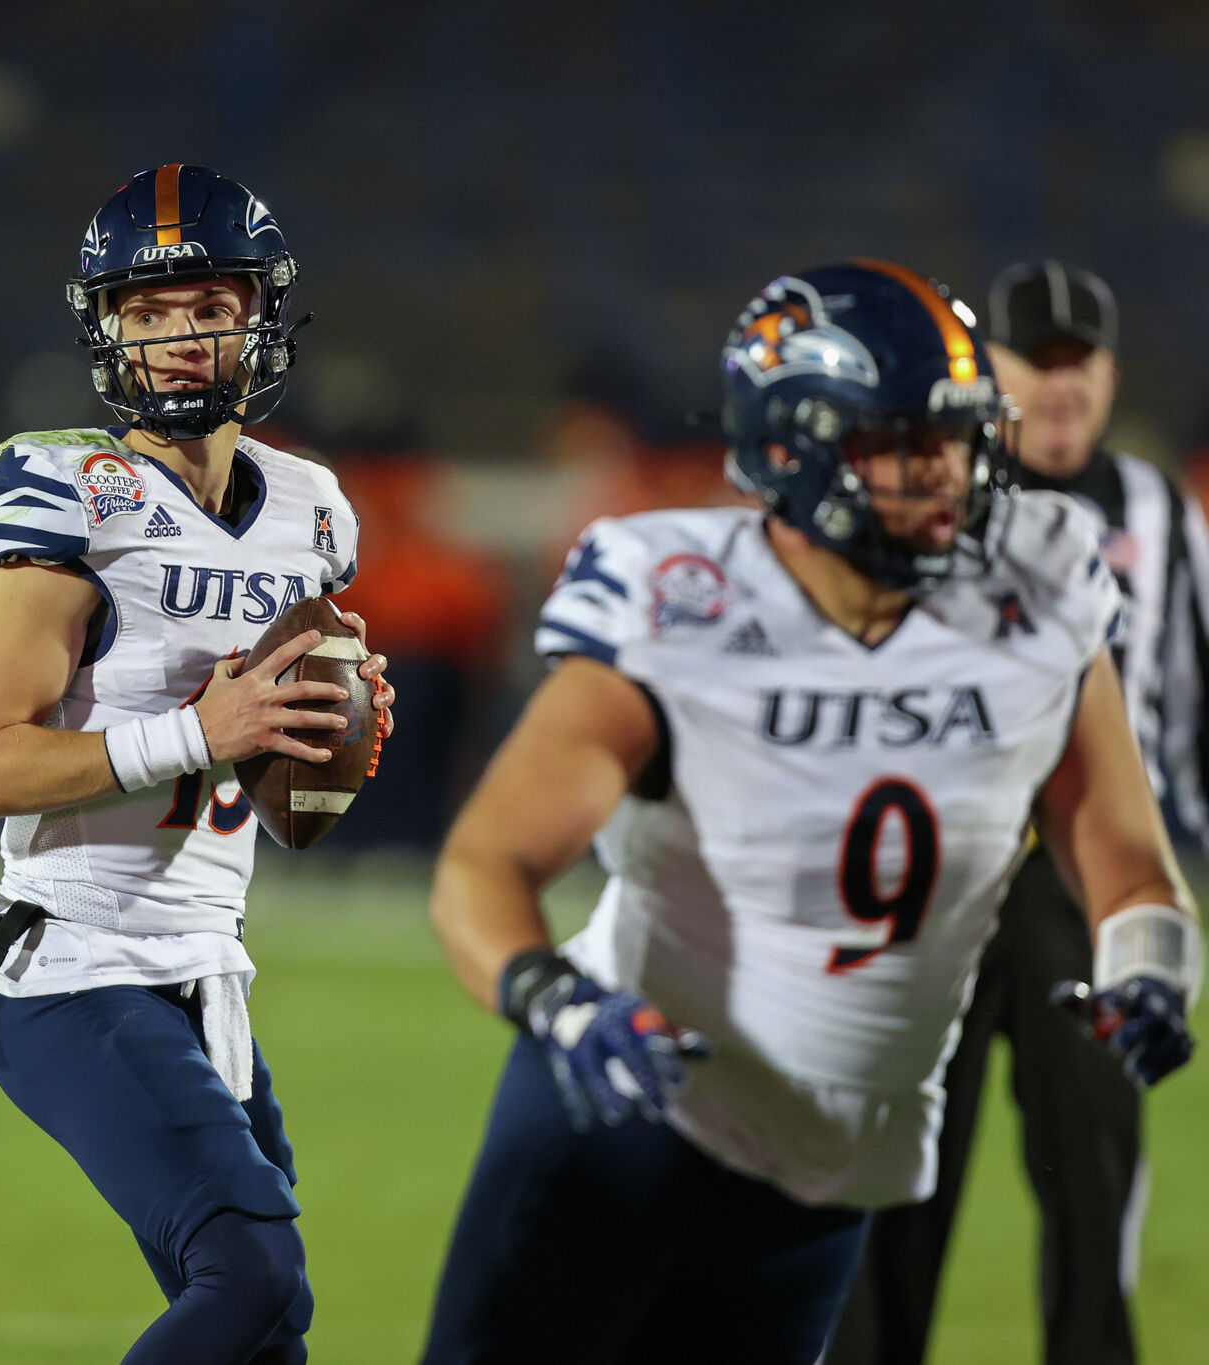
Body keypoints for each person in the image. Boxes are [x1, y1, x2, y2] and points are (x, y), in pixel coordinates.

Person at [419, 260, 1198, 1364]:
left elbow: (1121, 855)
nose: (947, 472)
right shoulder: (675, 595)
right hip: (633, 1118)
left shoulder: (1040, 585)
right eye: (903, 442)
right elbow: (483, 863)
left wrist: (1150, 964)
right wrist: (554, 1001)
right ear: (794, 444)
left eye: (958, 436)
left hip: (834, 1168)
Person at [0, 164, 393, 1365]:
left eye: (205, 306)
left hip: (205, 964)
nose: (180, 338)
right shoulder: (65, 492)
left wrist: (328, 725)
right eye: (146, 313)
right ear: (107, 330)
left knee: (266, 1330)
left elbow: (274, 775)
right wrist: (207, 731)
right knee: (248, 1270)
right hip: (73, 966)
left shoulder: (311, 509)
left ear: (261, 316)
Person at [830, 260, 1209, 1364]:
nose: (1058, 386)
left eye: (1076, 361)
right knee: (900, 1178)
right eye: (1033, 362)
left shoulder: (1160, 515)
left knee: (1095, 1176)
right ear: (986, 373)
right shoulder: (927, 489)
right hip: (937, 865)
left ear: (1106, 372)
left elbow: (1186, 707)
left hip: (1080, 874)